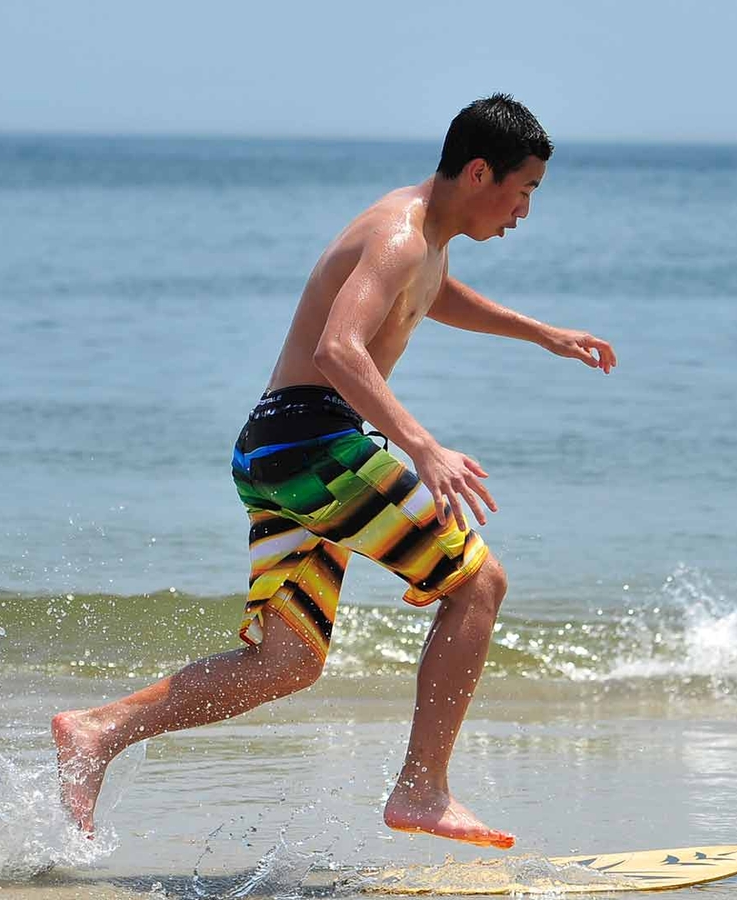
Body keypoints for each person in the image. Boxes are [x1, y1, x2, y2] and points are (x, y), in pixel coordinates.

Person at [53, 94, 616, 849]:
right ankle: (422, 788)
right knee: (479, 584)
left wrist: (540, 332)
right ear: (479, 172)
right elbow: (338, 350)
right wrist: (421, 445)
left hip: (275, 449)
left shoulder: (422, 238)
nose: (524, 209)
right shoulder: (399, 234)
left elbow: (430, 295)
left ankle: (98, 731)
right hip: (314, 443)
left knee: (286, 663)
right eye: (525, 189)